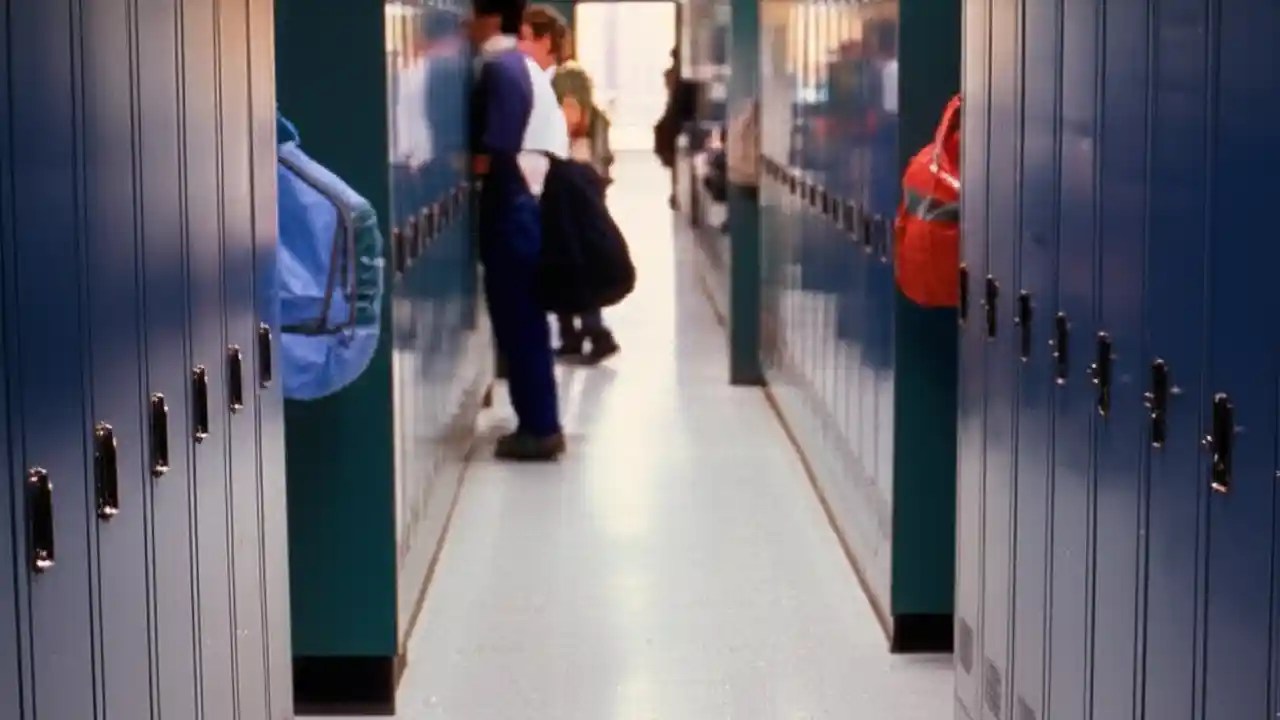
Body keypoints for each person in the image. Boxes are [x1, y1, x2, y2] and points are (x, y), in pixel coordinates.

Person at [470, 0, 569, 460]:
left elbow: (497, 147)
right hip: (522, 206)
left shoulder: (503, 69)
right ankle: (539, 420)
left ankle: (540, 427)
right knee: (523, 322)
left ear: (487, 17)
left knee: (521, 322)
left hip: (513, 210)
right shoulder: (521, 67)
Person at [519, 6, 621, 364]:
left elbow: (570, 122)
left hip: (569, 183)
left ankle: (594, 332)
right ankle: (573, 334)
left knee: (573, 259)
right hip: (577, 180)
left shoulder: (563, 83)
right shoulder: (570, 85)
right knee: (566, 259)